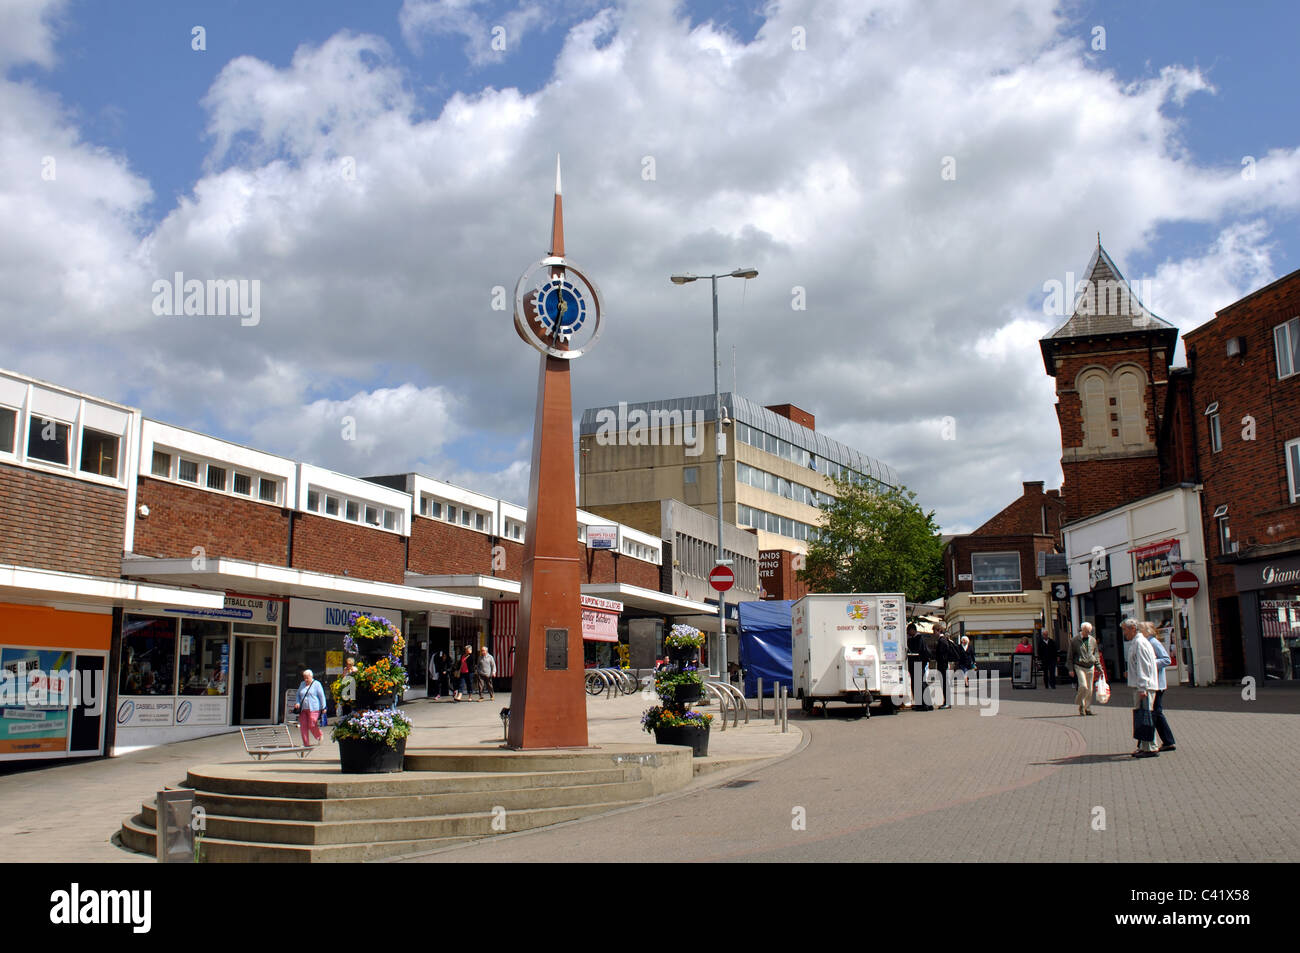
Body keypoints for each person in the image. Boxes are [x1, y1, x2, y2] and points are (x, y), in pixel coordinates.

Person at [1123, 619, 1160, 758]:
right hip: (1139, 685)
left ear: (1133, 628)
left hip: (1144, 686)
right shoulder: (1137, 642)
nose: (1124, 633)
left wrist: (1143, 687)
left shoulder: (1140, 643)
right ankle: (1144, 745)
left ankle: (1151, 747)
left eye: (1125, 629)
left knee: (1145, 716)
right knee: (1142, 715)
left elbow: (1143, 666)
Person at [1143, 621, 1176, 751]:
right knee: (1156, 712)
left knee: (1155, 712)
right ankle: (1168, 741)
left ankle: (1167, 741)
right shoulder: (1148, 642)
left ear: (1148, 631)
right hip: (1154, 683)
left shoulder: (1154, 643)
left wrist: (1150, 663)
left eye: (1142, 629)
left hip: (1157, 684)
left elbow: (1166, 659)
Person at [1068, 622, 1099, 716]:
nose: (1088, 633)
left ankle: (1087, 708)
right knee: (1083, 686)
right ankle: (1081, 704)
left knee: (1090, 689)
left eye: (1090, 631)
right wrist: (1070, 669)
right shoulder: (1074, 640)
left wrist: (1099, 667)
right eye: (1086, 631)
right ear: (1082, 630)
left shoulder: (1092, 640)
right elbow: (1070, 655)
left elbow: (1096, 654)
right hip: (1079, 665)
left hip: (1090, 666)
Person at [294, 669, 328, 747]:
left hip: (314, 708)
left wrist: (324, 707)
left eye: (307, 678)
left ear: (311, 676)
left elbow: (321, 696)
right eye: (304, 677)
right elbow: (298, 695)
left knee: (312, 724)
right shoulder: (302, 684)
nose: (305, 679)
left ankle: (319, 735)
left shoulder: (317, 684)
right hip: (303, 709)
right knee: (303, 726)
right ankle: (306, 743)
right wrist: (297, 702)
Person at [933, 624, 960, 708]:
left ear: (938, 630)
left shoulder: (942, 640)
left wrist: (940, 659)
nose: (933, 633)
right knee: (944, 683)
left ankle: (947, 702)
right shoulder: (943, 639)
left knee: (944, 684)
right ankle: (946, 702)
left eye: (934, 631)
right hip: (943, 664)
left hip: (943, 665)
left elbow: (943, 654)